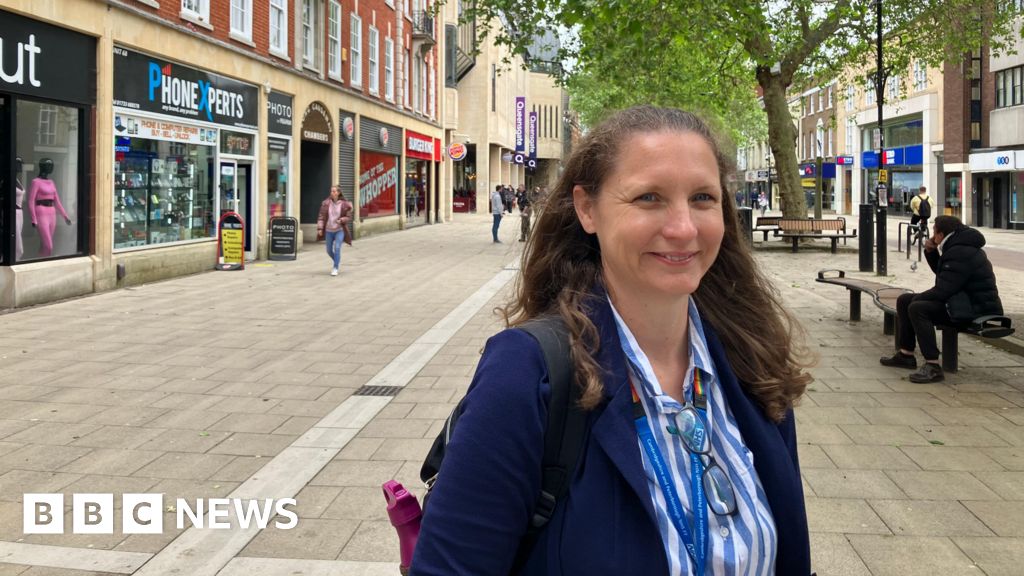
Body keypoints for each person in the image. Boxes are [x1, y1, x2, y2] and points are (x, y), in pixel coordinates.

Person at [411, 106, 814, 575]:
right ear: (587, 209)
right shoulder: (526, 375)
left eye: (703, 197)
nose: (684, 228)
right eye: (649, 198)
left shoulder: (752, 360)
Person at [880, 215, 1002, 383]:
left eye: (934, 231)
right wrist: (931, 252)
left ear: (940, 234)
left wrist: (918, 300)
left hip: (976, 309)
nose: (931, 235)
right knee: (904, 300)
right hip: (962, 302)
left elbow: (943, 290)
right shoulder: (957, 247)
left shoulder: (960, 252)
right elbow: (946, 276)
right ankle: (906, 355)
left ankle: (932, 366)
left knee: (917, 308)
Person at [28, 158, 72, 258]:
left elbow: (57, 201)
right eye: (49, 165)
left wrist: (65, 216)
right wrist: (33, 219)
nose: (52, 167)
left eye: (52, 165)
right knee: (49, 246)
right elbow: (31, 201)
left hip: (52, 213)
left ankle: (39, 262)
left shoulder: (51, 182)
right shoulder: (36, 182)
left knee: (44, 245)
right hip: (41, 212)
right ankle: (44, 262)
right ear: (42, 166)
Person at [316, 185, 353, 276]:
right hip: (329, 230)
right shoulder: (326, 203)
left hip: (339, 230)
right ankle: (337, 259)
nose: (332, 193)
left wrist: (341, 220)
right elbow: (321, 216)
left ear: (338, 193)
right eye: (331, 191)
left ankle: (335, 267)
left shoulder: (345, 204)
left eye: (334, 191)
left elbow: (348, 217)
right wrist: (320, 228)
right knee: (328, 250)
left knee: (337, 248)